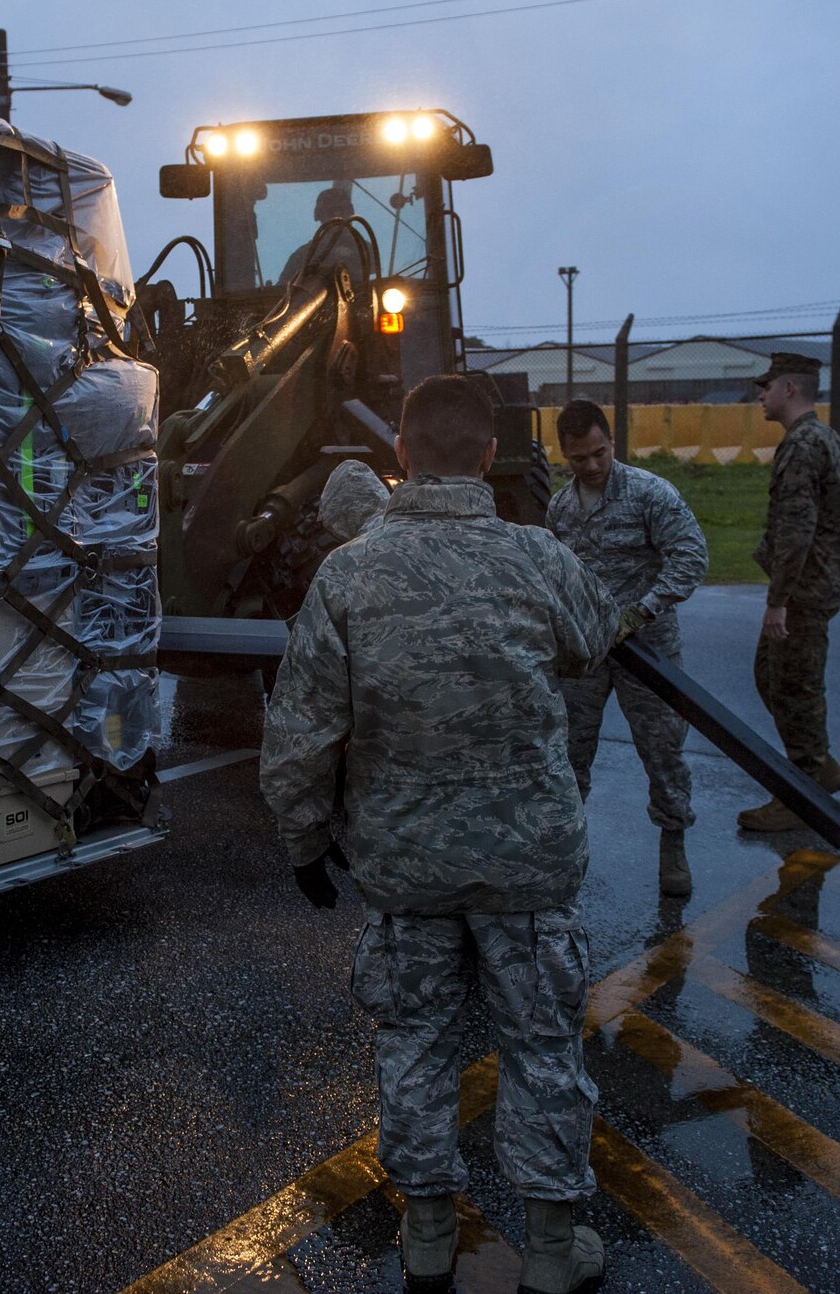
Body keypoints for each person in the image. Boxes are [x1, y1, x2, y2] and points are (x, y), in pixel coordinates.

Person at [261, 374, 614, 1294]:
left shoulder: (348, 573)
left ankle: (425, 1238)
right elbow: (593, 638)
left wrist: (304, 842)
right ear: (492, 455)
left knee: (414, 1043)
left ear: (402, 457)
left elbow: (301, 732)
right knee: (541, 1045)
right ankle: (548, 1249)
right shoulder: (540, 558)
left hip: (406, 868)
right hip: (526, 867)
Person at [547, 400, 709, 895]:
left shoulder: (649, 493)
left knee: (662, 749)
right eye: (579, 459)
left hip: (648, 649)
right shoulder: (560, 507)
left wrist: (643, 609)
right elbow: (557, 576)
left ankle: (673, 843)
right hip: (587, 653)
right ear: (564, 456)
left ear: (611, 441)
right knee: (569, 753)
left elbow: (691, 556)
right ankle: (566, 852)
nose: (592, 466)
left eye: (599, 453)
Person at [738, 351, 840, 832]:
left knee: (793, 686)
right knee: (773, 676)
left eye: (766, 387)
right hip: (813, 584)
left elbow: (796, 531)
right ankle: (817, 763)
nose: (761, 396)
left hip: (804, 590)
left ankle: (804, 786)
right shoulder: (818, 438)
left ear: (789, 389)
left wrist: (777, 600)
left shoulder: (804, 445)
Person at [276, 184, 367, 287]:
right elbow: (281, 293)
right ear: (319, 216)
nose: (337, 216)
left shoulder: (366, 250)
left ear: (350, 213)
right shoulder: (303, 256)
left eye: (342, 210)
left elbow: (379, 279)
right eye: (330, 212)